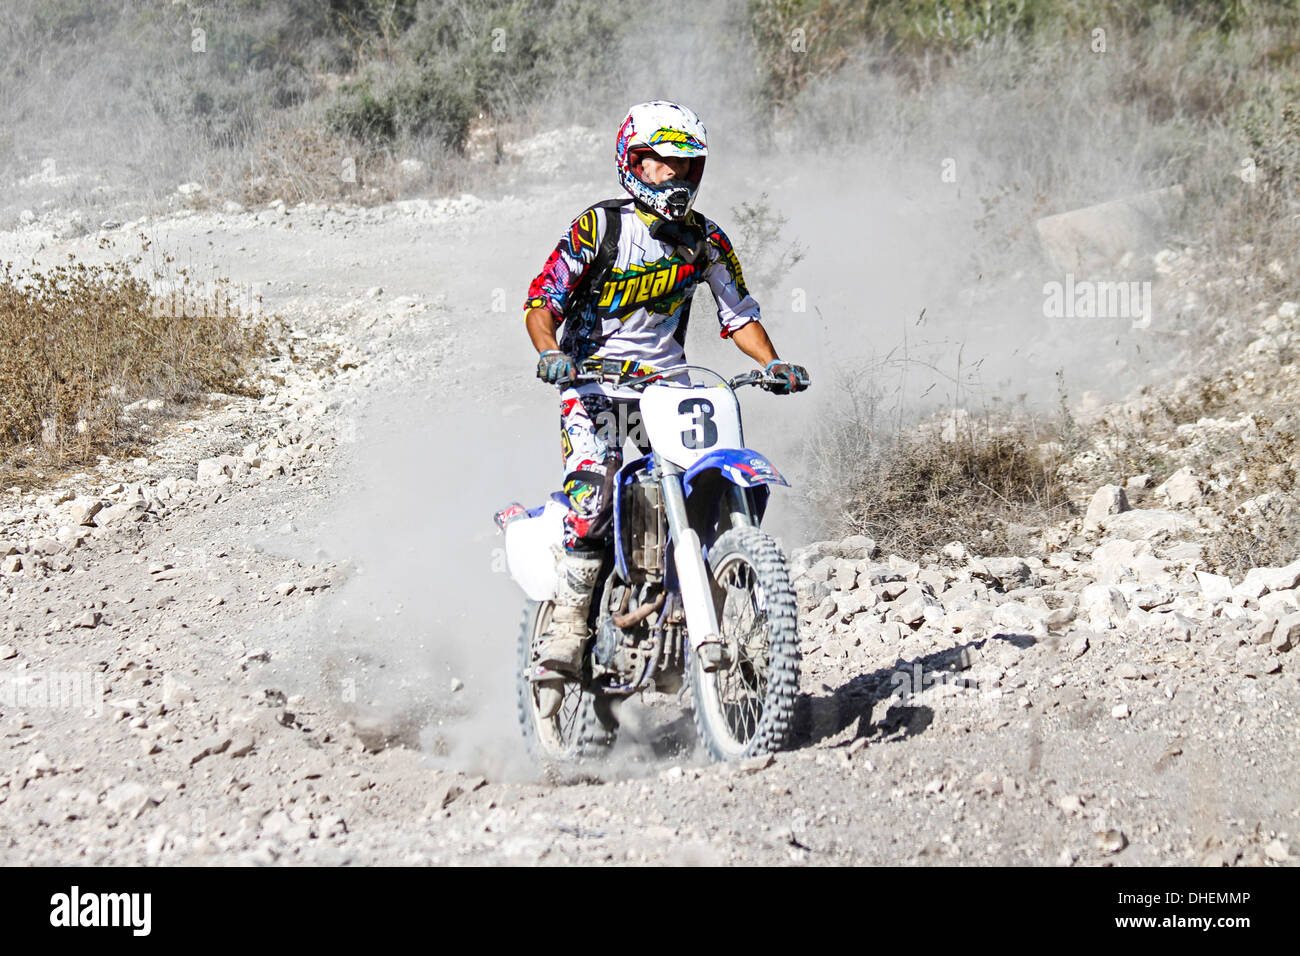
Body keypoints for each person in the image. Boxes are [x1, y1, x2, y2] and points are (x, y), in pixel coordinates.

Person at [522, 100, 808, 694]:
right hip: (594, 385)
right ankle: (570, 629)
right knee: (595, 489)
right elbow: (542, 299)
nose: (675, 178)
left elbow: (740, 314)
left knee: (711, 475)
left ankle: (692, 595)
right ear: (633, 162)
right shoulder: (600, 228)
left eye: (686, 167)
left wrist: (772, 362)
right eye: (662, 165)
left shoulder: (706, 240)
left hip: (667, 387)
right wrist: (550, 351)